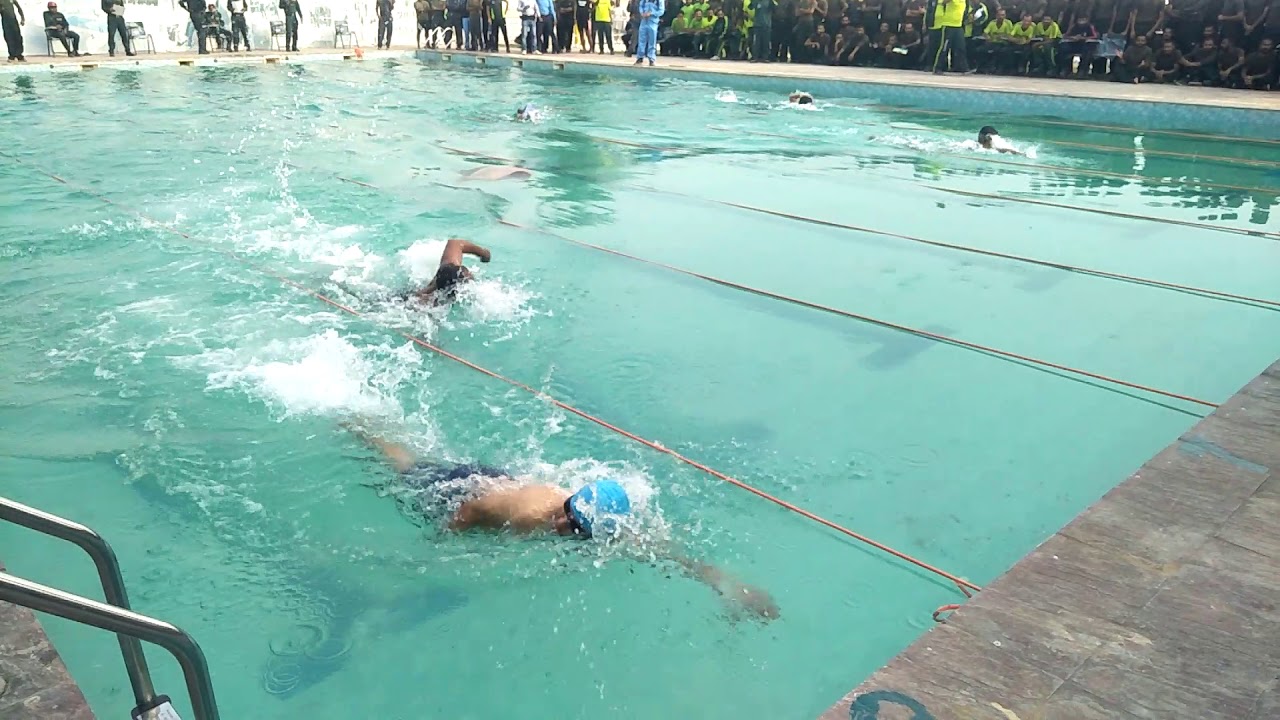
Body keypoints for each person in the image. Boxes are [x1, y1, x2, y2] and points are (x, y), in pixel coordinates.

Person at [345, 424, 780, 621]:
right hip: (472, 491)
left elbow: (666, 553)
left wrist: (727, 585)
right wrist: (440, 545)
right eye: (565, 518)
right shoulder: (533, 513)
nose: (562, 528)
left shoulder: (604, 524)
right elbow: (472, 510)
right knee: (404, 464)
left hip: (499, 483)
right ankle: (358, 427)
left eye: (575, 530)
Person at [927, 0, 971, 73]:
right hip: (948, 25)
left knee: (961, 47)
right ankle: (937, 67)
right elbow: (944, 2)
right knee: (944, 47)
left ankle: (963, 68)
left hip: (958, 26)